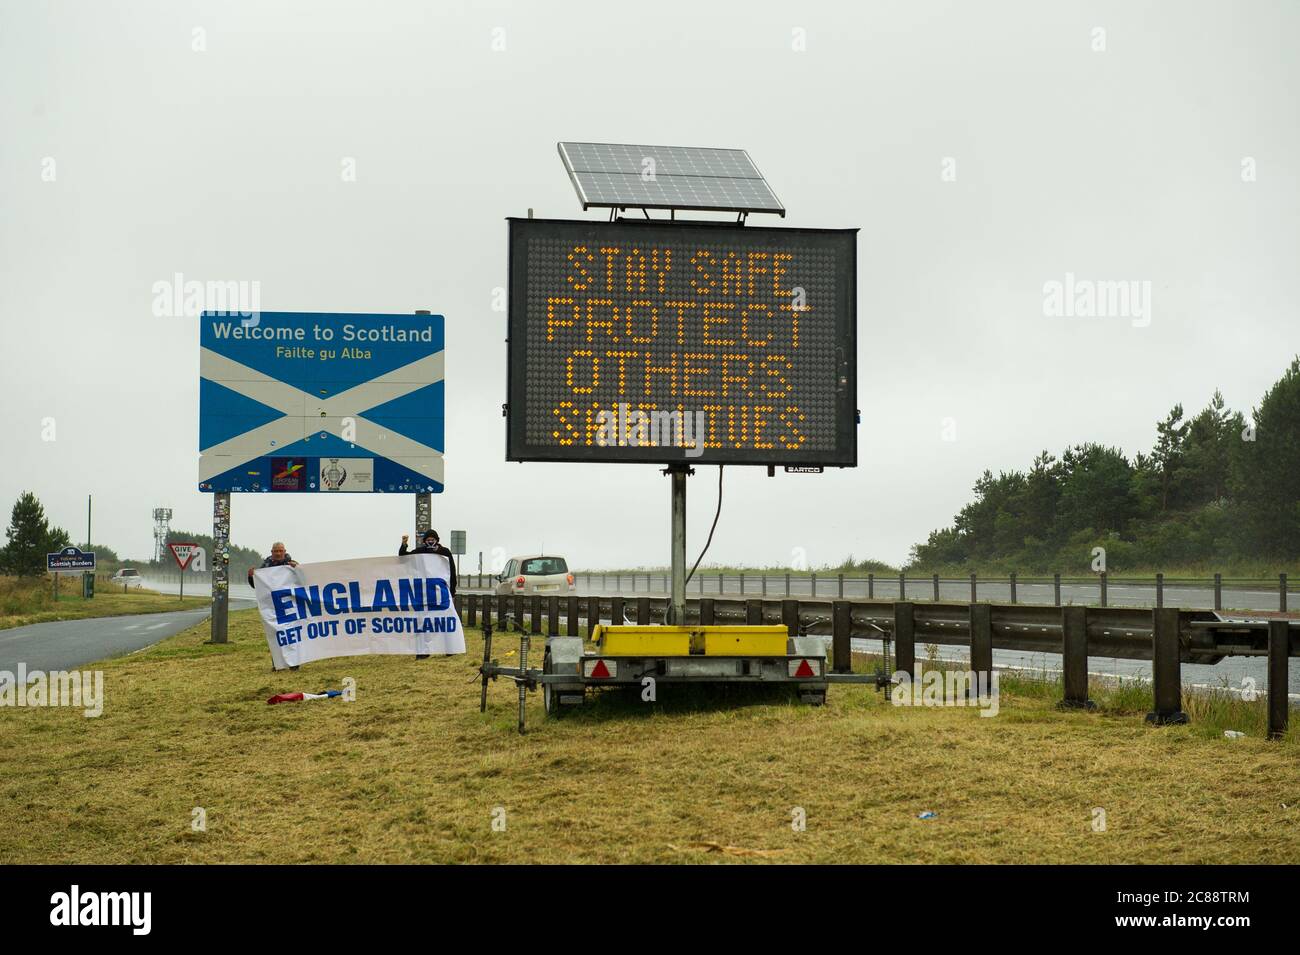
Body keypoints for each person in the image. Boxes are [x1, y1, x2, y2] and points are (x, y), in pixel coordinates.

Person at [399, 529, 458, 596]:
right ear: (424, 541)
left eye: (432, 540)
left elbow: (452, 570)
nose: (430, 542)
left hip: (441, 588)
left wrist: (452, 591)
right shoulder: (420, 551)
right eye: (428, 540)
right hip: (425, 590)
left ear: (437, 540)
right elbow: (403, 557)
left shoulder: (445, 552)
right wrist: (404, 544)